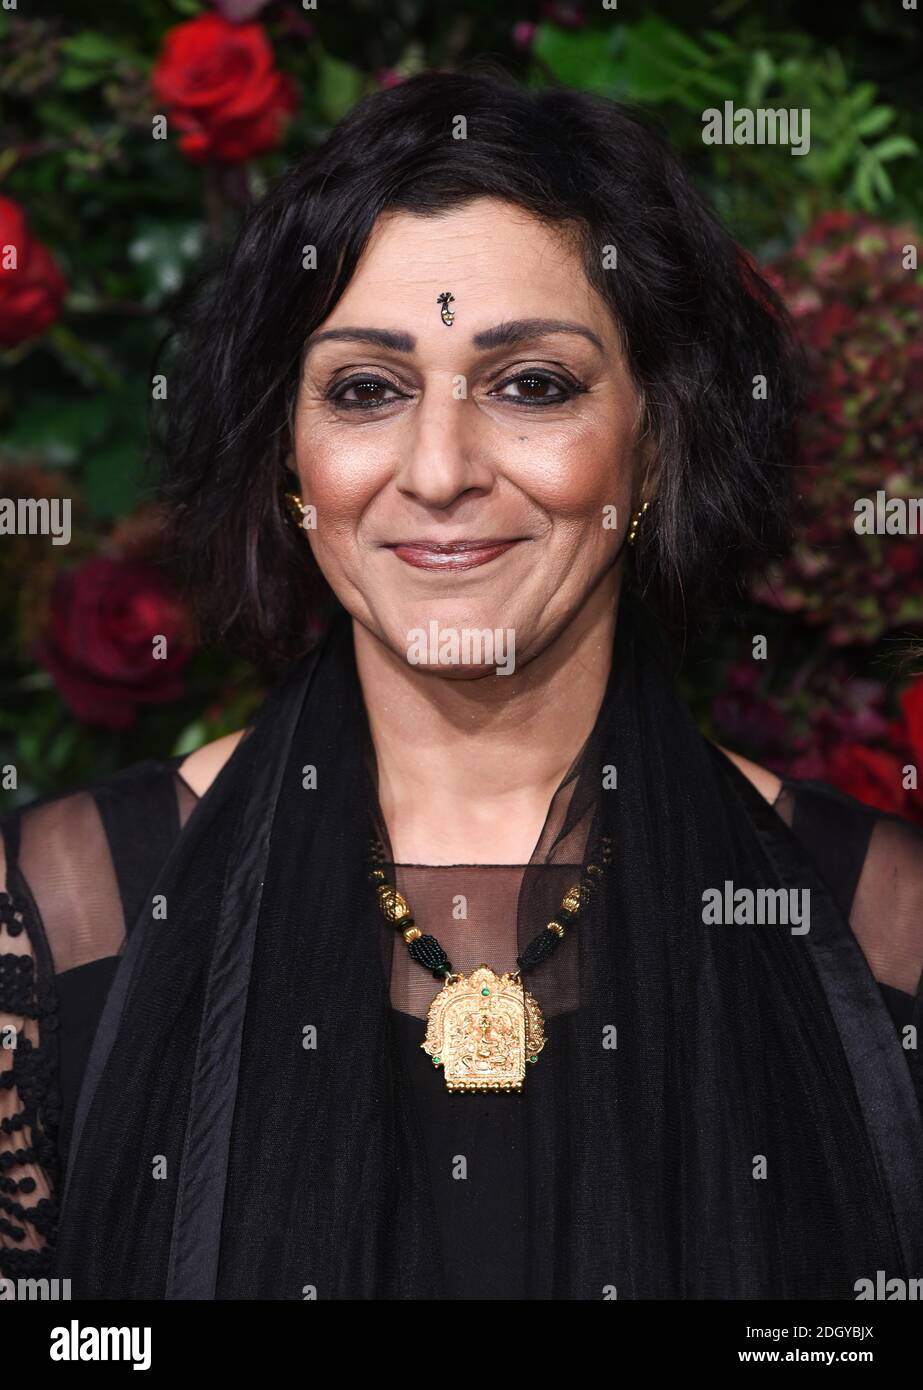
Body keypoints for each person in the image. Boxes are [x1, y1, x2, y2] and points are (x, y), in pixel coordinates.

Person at [1, 69, 921, 1301]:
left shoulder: (877, 932)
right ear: (289, 453)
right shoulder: (63, 922)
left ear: (657, 440)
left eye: (530, 384)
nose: (437, 471)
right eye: (365, 390)